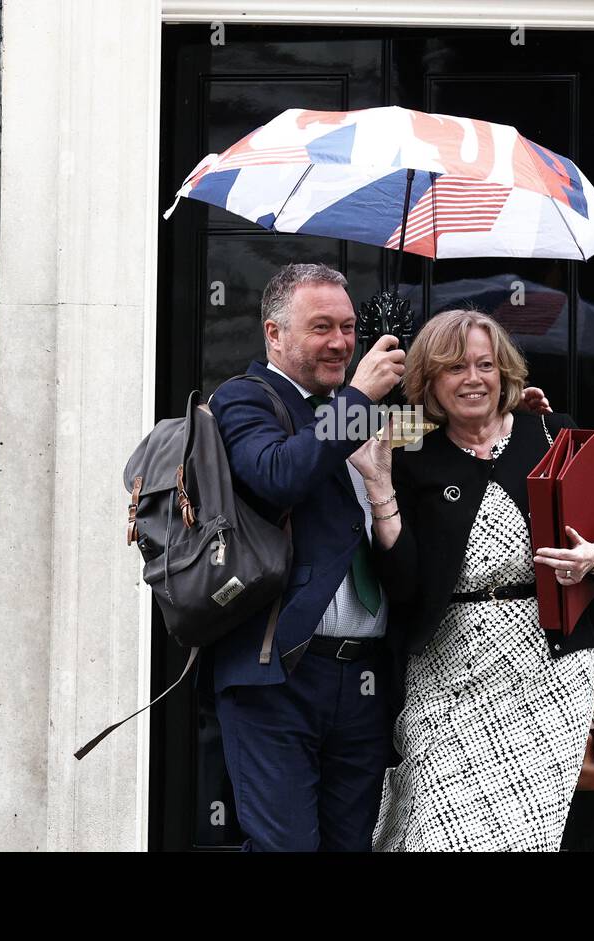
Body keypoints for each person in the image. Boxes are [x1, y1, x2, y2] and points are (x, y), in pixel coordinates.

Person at [207, 265, 550, 851]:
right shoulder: (245, 399)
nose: (341, 341)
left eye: (347, 326)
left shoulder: (363, 411)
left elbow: (449, 439)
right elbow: (278, 474)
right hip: (280, 669)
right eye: (321, 327)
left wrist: (506, 414)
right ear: (274, 334)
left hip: (365, 675)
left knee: (356, 843)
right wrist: (359, 396)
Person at [354, 308, 594, 851]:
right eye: (454, 368)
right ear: (430, 381)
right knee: (435, 834)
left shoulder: (552, 433)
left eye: (486, 365)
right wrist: (381, 492)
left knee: (525, 839)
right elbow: (403, 585)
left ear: (505, 370)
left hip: (549, 676)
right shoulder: (412, 449)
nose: (473, 379)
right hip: (446, 676)